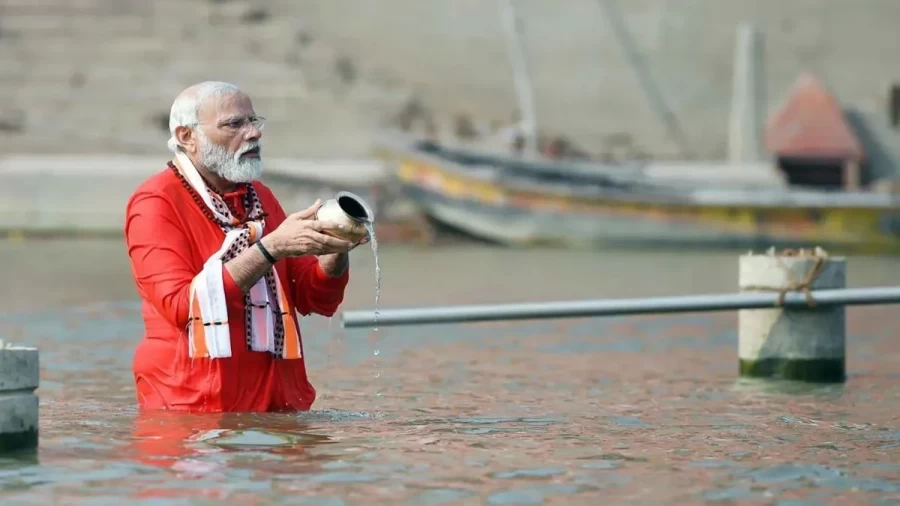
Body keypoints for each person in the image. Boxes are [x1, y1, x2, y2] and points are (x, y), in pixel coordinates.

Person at [125, 81, 363, 413]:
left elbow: (314, 299)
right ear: (186, 137)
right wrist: (270, 249)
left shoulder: (259, 197)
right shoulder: (155, 203)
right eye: (234, 124)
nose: (253, 133)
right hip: (191, 407)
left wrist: (335, 249)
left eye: (253, 121)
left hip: (276, 402)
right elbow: (181, 307)